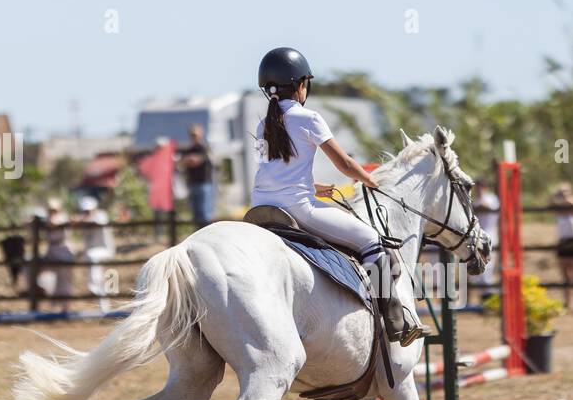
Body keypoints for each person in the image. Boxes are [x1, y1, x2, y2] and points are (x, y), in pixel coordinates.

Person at [250, 46, 423, 344]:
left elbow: (271, 170)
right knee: (371, 241)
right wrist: (369, 178)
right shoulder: (309, 118)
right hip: (299, 209)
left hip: (261, 206)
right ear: (301, 84)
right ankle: (397, 323)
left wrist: (313, 185)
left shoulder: (262, 123)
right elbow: (343, 163)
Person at [74, 195, 115, 313]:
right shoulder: (85, 219)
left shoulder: (101, 215)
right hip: (90, 253)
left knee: (92, 257)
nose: (86, 212)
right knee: (99, 279)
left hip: (104, 250)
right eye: (84, 211)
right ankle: (104, 309)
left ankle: (93, 288)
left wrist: (79, 219)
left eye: (88, 210)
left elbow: (94, 222)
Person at [550, 183, 573, 311]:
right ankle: (567, 302)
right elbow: (550, 203)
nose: (563, 194)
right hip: (563, 242)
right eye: (561, 192)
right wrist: (556, 195)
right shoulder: (559, 211)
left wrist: (564, 196)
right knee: (565, 275)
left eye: (566, 191)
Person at [178, 124, 216, 230]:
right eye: (192, 135)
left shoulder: (204, 148)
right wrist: (189, 160)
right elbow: (181, 163)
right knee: (195, 215)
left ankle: (208, 237)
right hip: (192, 184)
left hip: (204, 185)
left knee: (205, 214)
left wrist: (189, 160)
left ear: (201, 135)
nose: (193, 137)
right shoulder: (189, 150)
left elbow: (195, 161)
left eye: (195, 134)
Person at [43, 198, 74, 313]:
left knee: (64, 281)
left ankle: (65, 308)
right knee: (50, 279)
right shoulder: (46, 218)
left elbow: (53, 223)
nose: (52, 212)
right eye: (50, 210)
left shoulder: (62, 218)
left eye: (54, 210)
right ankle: (53, 307)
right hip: (52, 251)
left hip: (63, 251)